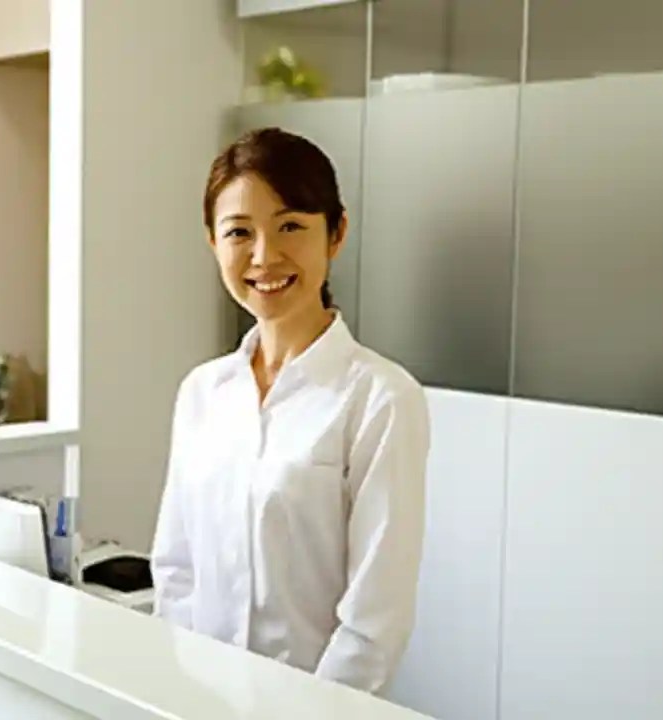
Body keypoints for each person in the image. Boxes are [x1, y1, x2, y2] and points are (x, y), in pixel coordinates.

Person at [150, 128, 431, 695]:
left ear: (336, 233)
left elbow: (375, 621)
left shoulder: (379, 398)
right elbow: (177, 572)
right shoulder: (203, 392)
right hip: (199, 702)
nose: (264, 256)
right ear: (213, 242)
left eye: (290, 227)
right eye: (239, 232)